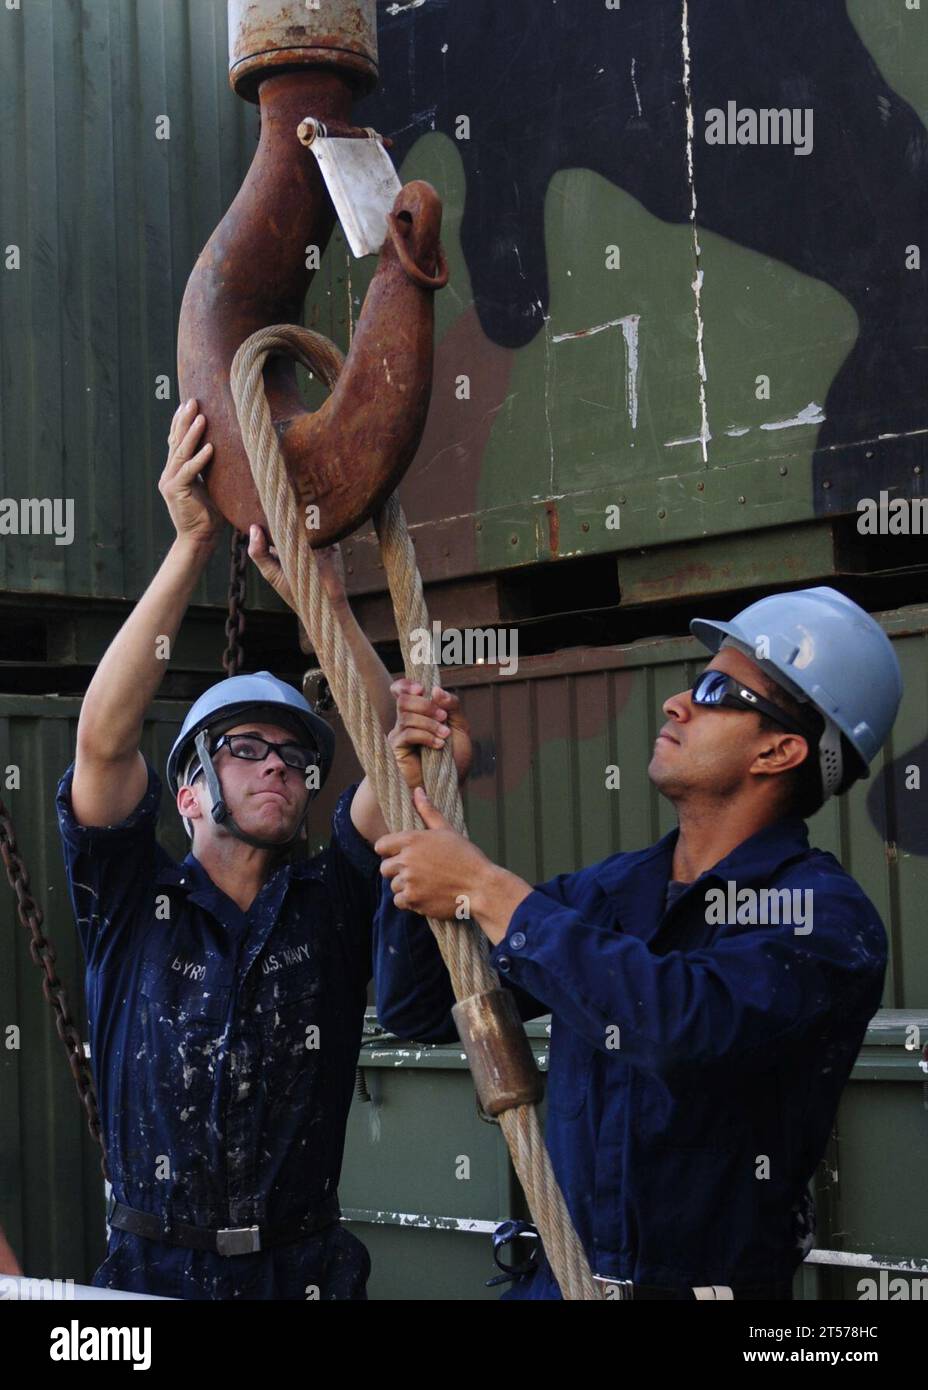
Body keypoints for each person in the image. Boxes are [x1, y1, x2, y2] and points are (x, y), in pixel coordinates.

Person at [373, 586, 902, 1300]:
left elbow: (682, 1028)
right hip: (558, 1286)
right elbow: (420, 1006)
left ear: (780, 750)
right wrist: (415, 810)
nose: (675, 704)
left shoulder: (826, 921)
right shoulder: (613, 893)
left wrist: (491, 891)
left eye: (717, 691)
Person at [55, 399, 471, 1299]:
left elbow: (401, 767)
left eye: (294, 756)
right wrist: (191, 544)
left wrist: (315, 596)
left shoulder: (332, 899)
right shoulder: (131, 904)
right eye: (246, 750)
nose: (278, 766)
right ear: (190, 791)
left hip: (305, 1276)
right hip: (149, 1283)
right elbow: (102, 743)